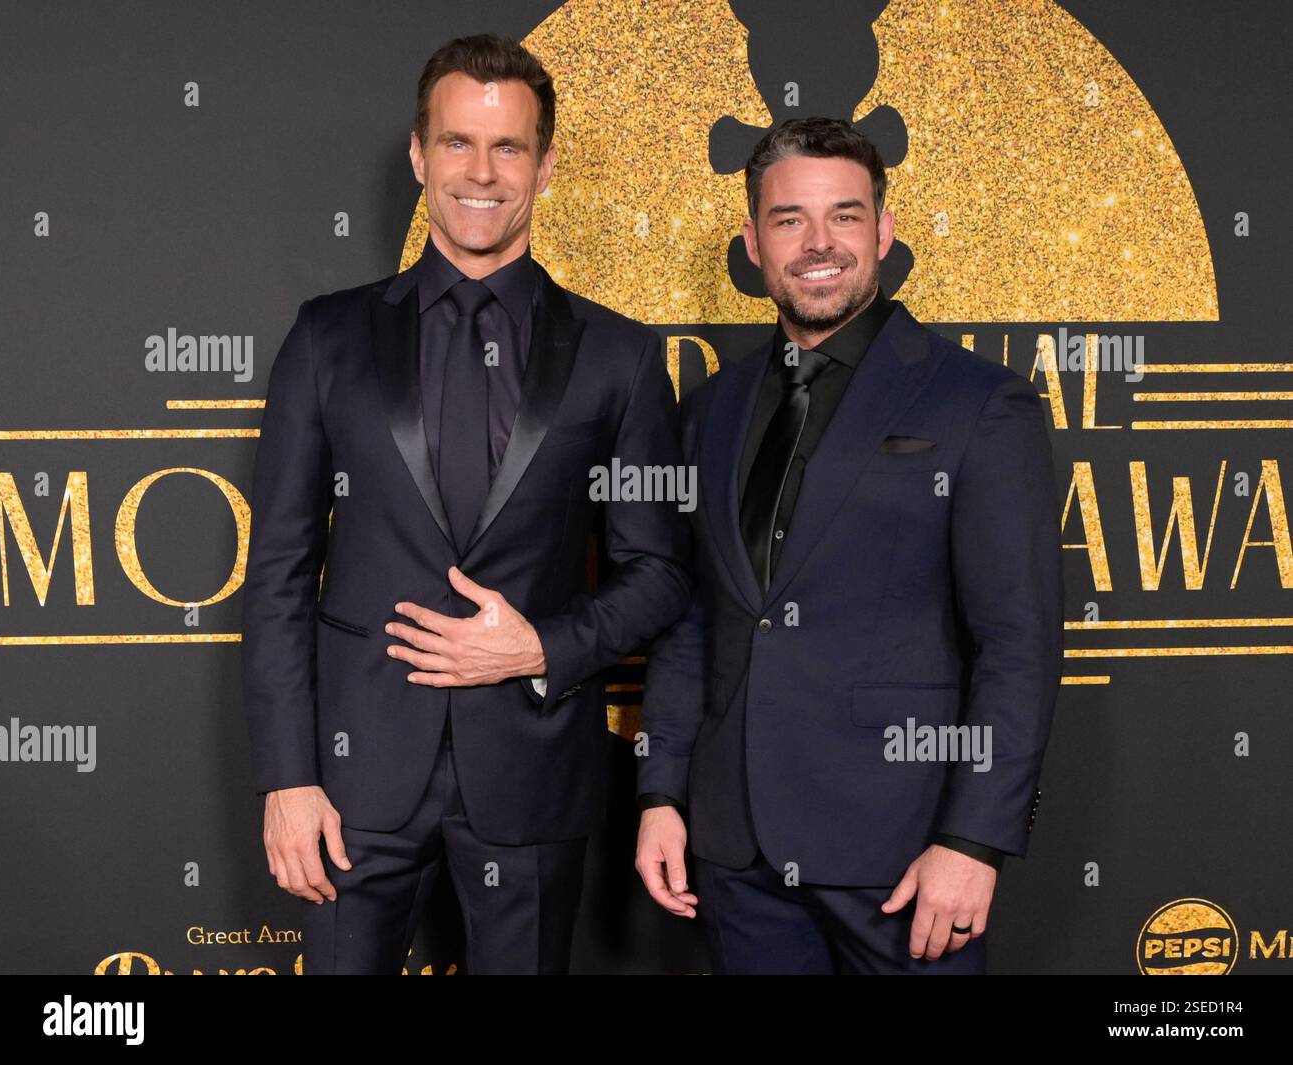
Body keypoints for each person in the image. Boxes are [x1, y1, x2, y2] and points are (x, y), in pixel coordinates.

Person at [242, 33, 691, 974]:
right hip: (351, 780)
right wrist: (288, 777)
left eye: (508, 147)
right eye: (457, 142)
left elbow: (658, 573)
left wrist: (540, 646)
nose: (481, 172)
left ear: (545, 165)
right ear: (419, 155)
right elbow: (278, 572)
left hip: (533, 771)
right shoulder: (327, 337)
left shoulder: (619, 356)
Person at [635, 117, 1063, 974]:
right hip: (736, 852)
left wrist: (972, 840)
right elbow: (693, 622)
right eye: (789, 219)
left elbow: (1018, 643)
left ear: (884, 231)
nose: (818, 243)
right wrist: (662, 793)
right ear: (753, 243)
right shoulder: (710, 411)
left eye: (845, 215)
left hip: (903, 857)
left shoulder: (979, 403)